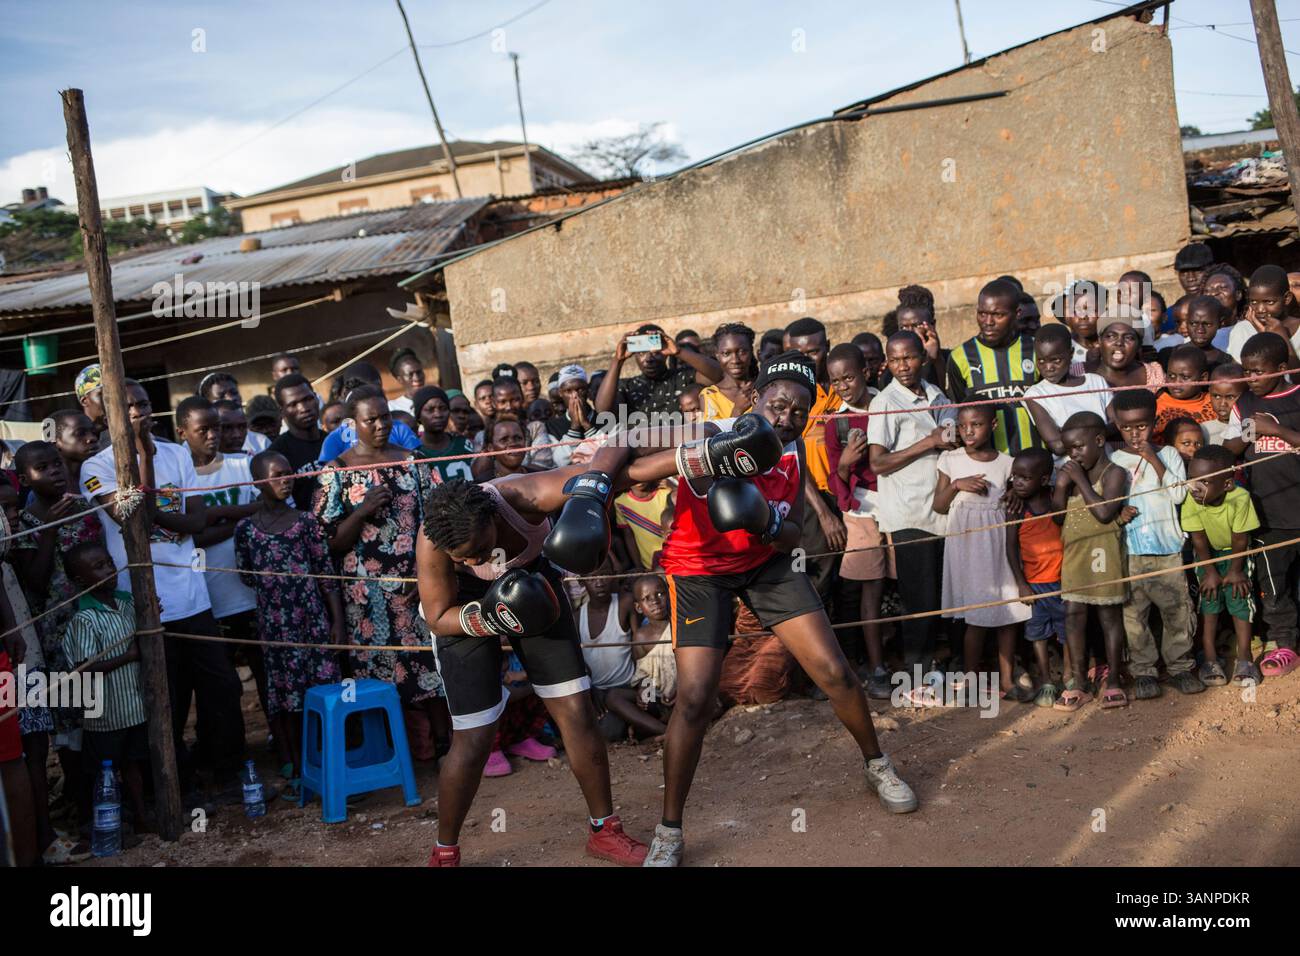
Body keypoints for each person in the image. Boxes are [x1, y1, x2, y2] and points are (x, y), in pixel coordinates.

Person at [625, 352, 916, 867]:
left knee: (835, 672)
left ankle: (878, 764)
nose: (786, 417)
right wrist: (703, 457)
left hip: (766, 564)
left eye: (798, 411)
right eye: (778, 405)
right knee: (694, 699)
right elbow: (636, 469)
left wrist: (762, 524)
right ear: (756, 397)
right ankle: (669, 830)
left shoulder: (792, 453)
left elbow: (788, 535)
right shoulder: (714, 428)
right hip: (697, 569)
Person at [416, 447, 658, 866]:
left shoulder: (525, 495)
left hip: (532, 584)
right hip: (463, 611)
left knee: (576, 710)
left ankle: (605, 831)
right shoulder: (434, 540)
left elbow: (611, 459)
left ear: (492, 519)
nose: (474, 561)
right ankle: (445, 853)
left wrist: (705, 450)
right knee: (474, 737)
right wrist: (493, 618)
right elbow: (437, 617)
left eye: (478, 549)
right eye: (464, 558)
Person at [81, 379, 246, 797]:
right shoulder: (96, 467)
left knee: (222, 686)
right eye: (129, 406)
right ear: (112, 412)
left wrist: (152, 502)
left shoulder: (177, 454)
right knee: (166, 696)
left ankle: (226, 772)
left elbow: (194, 520)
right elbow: (127, 516)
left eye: (143, 404)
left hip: (192, 594)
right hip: (145, 601)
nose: (139, 412)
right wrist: (142, 458)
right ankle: (175, 786)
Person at [312, 386, 444, 727]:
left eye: (385, 416)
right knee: (376, 678)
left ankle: (444, 745)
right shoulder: (336, 471)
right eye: (371, 419)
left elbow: (438, 522)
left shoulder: (414, 462)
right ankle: (396, 754)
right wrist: (362, 511)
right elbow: (329, 542)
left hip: (415, 586)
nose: (381, 425)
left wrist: (427, 570)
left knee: (431, 668)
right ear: (352, 424)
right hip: (365, 599)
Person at [236, 451, 345, 796]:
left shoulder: (306, 522)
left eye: (289, 473)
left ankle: (329, 764)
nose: (286, 480)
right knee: (285, 698)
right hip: (275, 627)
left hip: (311, 621)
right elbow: (246, 576)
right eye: (276, 475)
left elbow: (326, 575)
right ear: (257, 483)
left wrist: (336, 621)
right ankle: (294, 765)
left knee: (324, 692)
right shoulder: (246, 530)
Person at [12, 440, 103, 846]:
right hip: (55, 639)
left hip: (95, 627)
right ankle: (83, 807)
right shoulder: (23, 523)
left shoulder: (82, 508)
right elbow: (33, 579)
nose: (55, 471)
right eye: (41, 467)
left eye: (56, 463)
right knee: (69, 725)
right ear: (24, 478)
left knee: (100, 715)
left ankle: (107, 801)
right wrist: (48, 524)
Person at [175, 397, 270, 733]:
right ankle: (226, 752)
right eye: (204, 429)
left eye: (216, 427)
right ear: (183, 432)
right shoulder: (179, 476)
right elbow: (189, 535)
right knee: (220, 684)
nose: (214, 435)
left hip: (251, 589)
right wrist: (240, 519)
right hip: (208, 594)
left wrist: (212, 517)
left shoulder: (242, 465)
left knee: (266, 671)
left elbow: (267, 508)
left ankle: (279, 742)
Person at [868, 331, 959, 681]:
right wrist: (929, 442)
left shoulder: (935, 393)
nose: (902, 366)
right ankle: (916, 674)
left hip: (941, 509)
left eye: (909, 357)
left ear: (923, 356)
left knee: (942, 593)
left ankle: (942, 666)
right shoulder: (886, 402)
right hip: (910, 512)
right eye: (895, 359)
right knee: (918, 598)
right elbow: (877, 462)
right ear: (887, 363)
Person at [931, 405, 1032, 701]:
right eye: (963, 427)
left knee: (1008, 610)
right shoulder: (950, 459)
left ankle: (1007, 681)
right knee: (975, 616)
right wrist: (957, 485)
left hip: (999, 543)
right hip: (967, 547)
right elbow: (939, 505)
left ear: (994, 425)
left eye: (976, 425)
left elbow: (1017, 494)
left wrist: (1014, 492)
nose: (969, 432)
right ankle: (971, 679)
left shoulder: (1007, 463)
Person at [1108, 389, 1203, 699]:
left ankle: (1179, 668)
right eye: (1127, 427)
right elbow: (1111, 503)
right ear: (1118, 426)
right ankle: (1144, 671)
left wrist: (1154, 459)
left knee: (1177, 611)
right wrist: (1120, 513)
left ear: (1154, 423)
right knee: (1135, 616)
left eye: (1142, 426)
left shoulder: (1169, 454)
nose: (1135, 433)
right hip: (1132, 551)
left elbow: (1177, 495)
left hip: (1168, 550)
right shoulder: (1115, 459)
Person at [1220, 331, 1300, 679]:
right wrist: (1248, 433)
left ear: (1281, 368)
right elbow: (1228, 451)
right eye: (1246, 371)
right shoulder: (1244, 404)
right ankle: (1284, 643)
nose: (1250, 378)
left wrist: (1276, 430)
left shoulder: (1297, 397)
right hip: (1267, 514)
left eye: (1257, 371)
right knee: (1274, 583)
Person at [61, 541, 150, 833]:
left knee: (133, 763)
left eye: (109, 563)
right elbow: (83, 667)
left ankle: (140, 814)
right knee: (105, 772)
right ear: (79, 581)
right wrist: (129, 656)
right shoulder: (84, 619)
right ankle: (104, 825)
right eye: (99, 567)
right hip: (106, 715)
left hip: (134, 707)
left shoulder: (126, 602)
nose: (110, 570)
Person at [824, 343, 889, 696]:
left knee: (909, 583)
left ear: (866, 372)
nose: (844, 386)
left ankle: (916, 661)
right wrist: (847, 463)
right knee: (870, 590)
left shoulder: (887, 405)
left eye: (849, 377)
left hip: (900, 504)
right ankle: (877, 667)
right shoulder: (838, 423)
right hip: (863, 511)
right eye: (836, 381)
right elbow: (838, 479)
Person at [1052, 411, 1128, 711]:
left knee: (1109, 616)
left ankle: (1115, 680)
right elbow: (1056, 517)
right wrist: (1061, 486)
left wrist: (1079, 480)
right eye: (1069, 449)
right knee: (1074, 616)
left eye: (1079, 447)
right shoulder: (1070, 476)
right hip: (1074, 554)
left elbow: (1104, 513)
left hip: (1104, 554)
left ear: (1099, 441)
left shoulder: (1115, 473)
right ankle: (1080, 682)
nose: (1074, 454)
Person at [783, 317, 848, 609]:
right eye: (799, 355)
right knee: (817, 579)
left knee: (852, 579)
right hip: (811, 502)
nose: (806, 360)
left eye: (814, 352)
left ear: (828, 348)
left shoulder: (842, 387)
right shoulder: (787, 399)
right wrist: (824, 514)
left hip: (849, 496)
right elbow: (793, 457)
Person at [1182, 446, 1260, 686]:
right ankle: (1210, 658)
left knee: (1239, 599)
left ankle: (1245, 658)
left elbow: (1240, 539)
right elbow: (1198, 539)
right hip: (1207, 556)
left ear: (1226, 484)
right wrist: (1210, 572)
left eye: (1204, 482)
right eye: (1192, 480)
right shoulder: (1193, 498)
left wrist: (1236, 571)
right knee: (1209, 600)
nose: (1195, 487)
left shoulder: (1240, 498)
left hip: (1236, 554)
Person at [1005, 447, 1070, 707]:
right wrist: (1021, 584)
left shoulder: (1056, 498)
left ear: (1044, 480)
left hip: (1063, 582)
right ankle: (1045, 680)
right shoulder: (1016, 508)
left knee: (1068, 631)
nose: (1018, 483)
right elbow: (1010, 547)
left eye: (1025, 478)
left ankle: (1069, 677)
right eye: (1014, 477)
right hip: (1034, 585)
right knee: (1038, 634)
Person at [947, 279, 1041, 455]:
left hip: (1036, 463)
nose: (988, 322)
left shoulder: (1036, 350)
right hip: (988, 468)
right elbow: (956, 411)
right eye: (982, 314)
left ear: (1017, 313)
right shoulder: (961, 357)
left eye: (998, 315)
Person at [579, 561, 668, 741]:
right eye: (592, 578)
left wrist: (646, 686)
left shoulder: (624, 604)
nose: (599, 582)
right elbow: (578, 662)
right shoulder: (577, 616)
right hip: (601, 692)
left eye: (604, 575)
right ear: (581, 582)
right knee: (610, 732)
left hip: (634, 686)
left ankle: (662, 730)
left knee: (646, 702)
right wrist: (590, 688)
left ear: (613, 575)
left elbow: (643, 659)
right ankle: (649, 727)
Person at [1021, 322, 1111, 466]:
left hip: (1108, 465)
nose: (1048, 368)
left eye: (1056, 360)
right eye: (1041, 361)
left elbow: (1118, 425)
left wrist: (1069, 433)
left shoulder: (1096, 382)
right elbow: (1057, 446)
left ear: (1071, 353)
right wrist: (1100, 431)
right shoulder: (1036, 394)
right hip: (1070, 473)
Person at [594, 322, 723, 418]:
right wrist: (618, 360)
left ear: (666, 352)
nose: (649, 358)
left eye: (656, 352)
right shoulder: (628, 387)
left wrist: (678, 351)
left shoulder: (684, 377)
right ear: (634, 355)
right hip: (642, 448)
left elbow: (719, 375)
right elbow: (602, 410)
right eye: (642, 352)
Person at [269, 373, 326, 510]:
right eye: (293, 404)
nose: (304, 408)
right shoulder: (276, 455)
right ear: (281, 411)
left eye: (308, 399)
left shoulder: (334, 442)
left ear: (316, 399)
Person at [629, 574, 677, 717]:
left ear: (669, 595)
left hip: (685, 690)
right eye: (646, 598)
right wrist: (645, 691)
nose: (655, 601)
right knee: (618, 698)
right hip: (659, 696)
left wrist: (678, 690)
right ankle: (661, 728)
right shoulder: (641, 637)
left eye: (660, 594)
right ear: (638, 607)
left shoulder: (680, 625)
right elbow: (645, 674)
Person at [540, 365, 602, 469]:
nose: (575, 396)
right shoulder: (552, 426)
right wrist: (575, 427)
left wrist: (587, 426)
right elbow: (559, 462)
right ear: (560, 393)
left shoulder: (605, 419)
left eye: (580, 389)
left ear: (587, 390)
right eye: (568, 391)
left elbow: (609, 453)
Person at [412, 385, 474, 483]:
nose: (438, 414)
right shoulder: (415, 453)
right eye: (430, 410)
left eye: (443, 408)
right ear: (418, 415)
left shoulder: (464, 444)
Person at [1156, 345, 1216, 444]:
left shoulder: (1214, 401)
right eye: (1171, 376)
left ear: (1203, 378)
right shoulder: (1157, 406)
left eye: (1185, 377)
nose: (1176, 382)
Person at [699, 323, 757, 421]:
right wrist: (737, 410)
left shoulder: (763, 388)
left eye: (742, 352)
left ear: (751, 351)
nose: (735, 360)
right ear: (717, 355)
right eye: (726, 353)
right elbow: (714, 435)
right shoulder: (710, 395)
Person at [1095, 317, 1164, 395]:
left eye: (1128, 338)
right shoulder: (1082, 371)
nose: (1119, 343)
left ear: (1139, 344)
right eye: (1111, 336)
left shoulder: (1154, 374)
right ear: (1100, 341)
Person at [614, 478, 672, 571]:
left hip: (674, 557)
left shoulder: (665, 494)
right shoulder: (621, 503)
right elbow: (629, 536)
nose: (638, 480)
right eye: (633, 477)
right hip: (648, 563)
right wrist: (638, 565)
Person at [1179, 296, 1231, 373]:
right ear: (1187, 322)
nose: (1200, 330)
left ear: (1220, 323)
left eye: (1207, 324)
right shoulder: (1168, 354)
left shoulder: (1227, 362)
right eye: (1193, 323)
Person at [49, 409, 98, 489]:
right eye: (80, 433)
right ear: (55, 442)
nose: (92, 438)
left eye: (93, 432)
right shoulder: (50, 487)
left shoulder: (93, 477)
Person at [1206, 362, 1246, 445]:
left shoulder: (1252, 426)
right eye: (1216, 396)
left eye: (1230, 397)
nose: (1223, 404)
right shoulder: (1204, 430)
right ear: (1209, 392)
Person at [74, 364, 110, 451]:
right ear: (85, 401)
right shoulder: (74, 438)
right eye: (103, 394)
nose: (111, 399)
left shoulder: (125, 432)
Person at [388, 348, 426, 416]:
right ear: (400, 379)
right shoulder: (392, 408)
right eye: (410, 374)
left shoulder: (435, 401)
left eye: (419, 372)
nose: (416, 378)